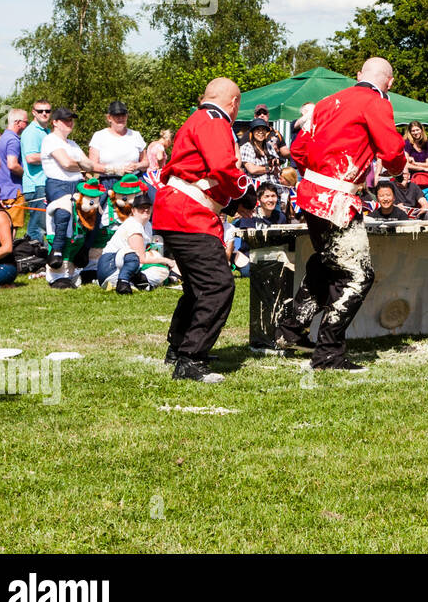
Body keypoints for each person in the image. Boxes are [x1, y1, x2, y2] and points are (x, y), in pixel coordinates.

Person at [276, 58, 407, 371]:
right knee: (357, 275)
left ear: (358, 75)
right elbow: (392, 153)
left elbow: (299, 152)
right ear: (389, 82)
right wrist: (397, 168)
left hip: (311, 194)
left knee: (327, 265)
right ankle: (329, 352)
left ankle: (289, 331)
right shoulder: (376, 102)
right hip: (336, 199)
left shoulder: (325, 103)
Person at [153, 77, 251, 383]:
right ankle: (190, 359)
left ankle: (180, 346)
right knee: (217, 286)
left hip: (180, 210)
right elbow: (223, 167)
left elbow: (200, 173)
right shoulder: (214, 121)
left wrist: (231, 204)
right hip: (188, 215)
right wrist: (244, 192)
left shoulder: (197, 119)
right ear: (233, 103)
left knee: (198, 287)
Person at [42, 109, 106, 268]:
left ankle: (84, 250)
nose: (69, 123)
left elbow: (89, 165)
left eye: (71, 120)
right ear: (55, 122)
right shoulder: (50, 140)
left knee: (95, 212)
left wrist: (82, 165)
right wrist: (82, 165)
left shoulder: (73, 144)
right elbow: (66, 164)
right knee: (64, 211)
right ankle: (56, 250)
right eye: (65, 120)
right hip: (57, 183)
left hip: (78, 184)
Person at [44, 179, 107, 288]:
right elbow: (51, 209)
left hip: (76, 245)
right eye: (92, 202)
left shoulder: (89, 213)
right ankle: (57, 277)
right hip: (62, 243)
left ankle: (72, 275)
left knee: (74, 259)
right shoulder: (65, 209)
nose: (95, 206)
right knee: (62, 258)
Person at [97, 191, 156, 293]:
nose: (146, 210)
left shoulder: (149, 226)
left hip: (125, 266)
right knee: (133, 255)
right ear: (133, 210)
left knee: (160, 270)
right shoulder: (133, 224)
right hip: (109, 266)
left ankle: (137, 282)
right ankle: (123, 283)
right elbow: (140, 257)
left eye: (148, 207)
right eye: (141, 207)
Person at [88, 101, 146, 189]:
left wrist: (137, 166)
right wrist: (116, 170)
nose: (120, 118)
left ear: (127, 116)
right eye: (116, 115)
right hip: (109, 182)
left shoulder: (136, 135)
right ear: (109, 118)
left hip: (134, 181)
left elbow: (146, 162)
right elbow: (92, 165)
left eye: (123, 115)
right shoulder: (99, 136)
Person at [20, 100, 53, 243]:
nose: (44, 114)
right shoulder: (32, 132)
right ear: (33, 112)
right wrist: (55, 156)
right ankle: (34, 258)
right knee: (37, 227)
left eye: (47, 111)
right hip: (36, 185)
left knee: (45, 225)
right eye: (40, 111)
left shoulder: (46, 131)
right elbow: (31, 157)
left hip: (43, 183)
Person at [0, 108, 27, 235]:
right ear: (18, 122)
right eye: (26, 122)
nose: (27, 125)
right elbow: (12, 165)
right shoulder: (14, 140)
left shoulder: (4, 137)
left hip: (3, 188)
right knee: (11, 229)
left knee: (3, 228)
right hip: (13, 190)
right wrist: (26, 175)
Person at [239, 118, 281, 184]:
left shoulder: (269, 146)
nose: (261, 132)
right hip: (257, 187)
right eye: (257, 129)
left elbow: (277, 169)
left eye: (263, 129)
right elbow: (252, 170)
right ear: (252, 132)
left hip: (274, 185)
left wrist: (276, 162)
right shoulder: (246, 147)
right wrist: (269, 168)